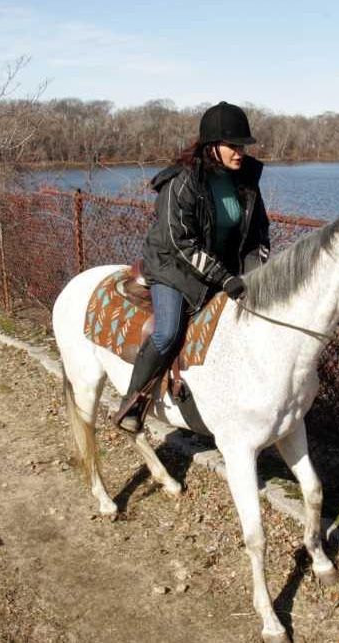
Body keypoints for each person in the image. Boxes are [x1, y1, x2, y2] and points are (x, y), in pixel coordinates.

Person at [114, 101, 272, 433]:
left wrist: (256, 277)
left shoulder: (245, 181)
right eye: (233, 145)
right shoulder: (181, 181)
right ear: (211, 145)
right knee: (168, 331)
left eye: (243, 145)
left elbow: (258, 235)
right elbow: (180, 242)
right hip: (174, 268)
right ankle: (133, 401)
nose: (240, 151)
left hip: (223, 270)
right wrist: (224, 278)